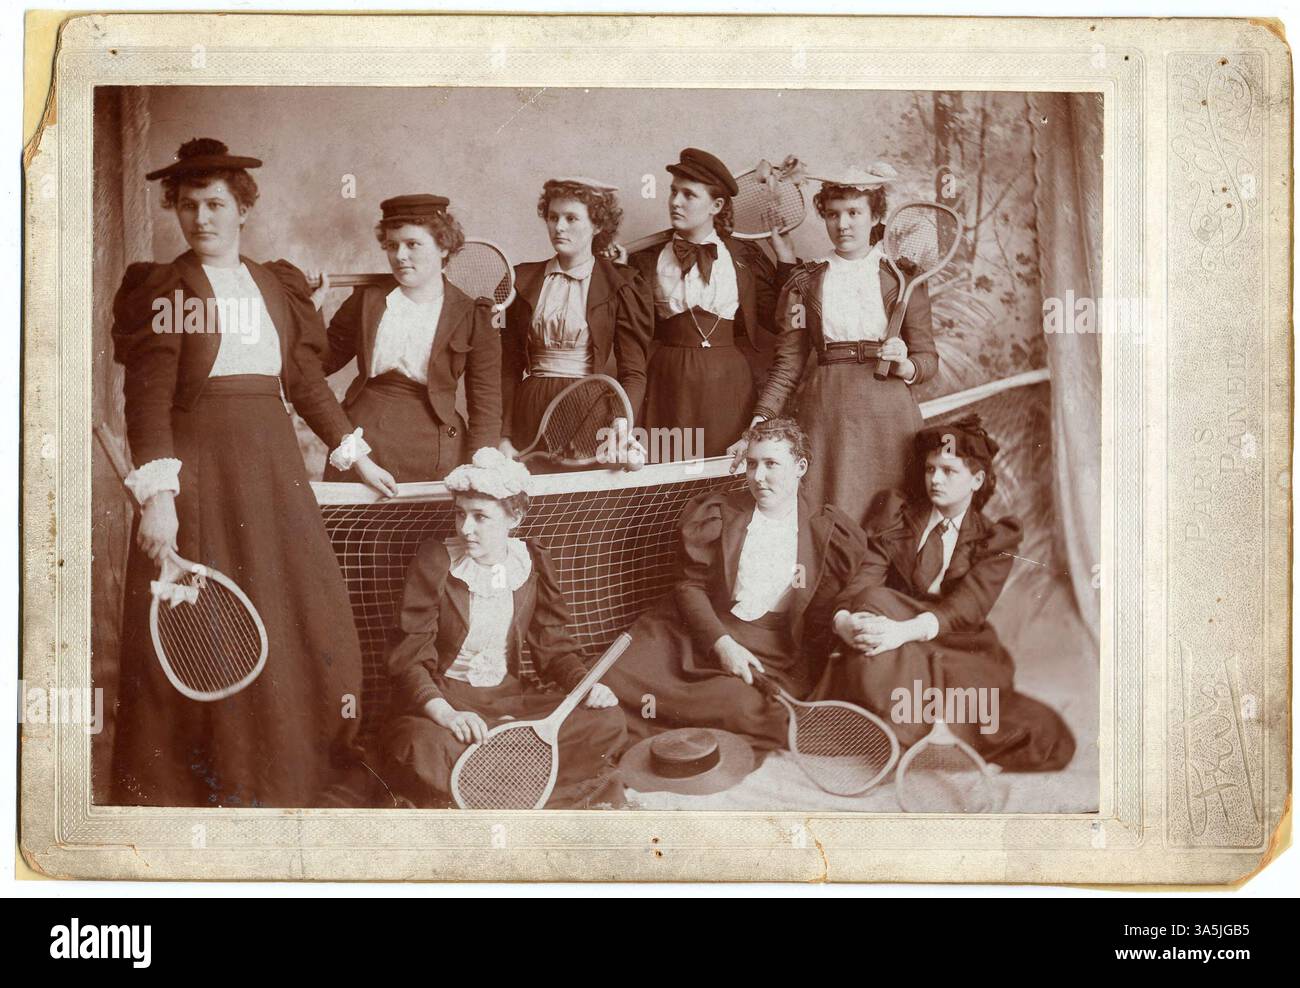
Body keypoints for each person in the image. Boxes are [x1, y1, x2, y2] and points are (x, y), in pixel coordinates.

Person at [108, 138, 394, 807]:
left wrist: (355, 453)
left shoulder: (274, 284)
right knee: (204, 623)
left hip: (273, 471)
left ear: (243, 210)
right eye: (187, 205)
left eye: (215, 204)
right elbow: (146, 400)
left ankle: (283, 769)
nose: (200, 218)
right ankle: (197, 782)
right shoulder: (166, 288)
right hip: (199, 476)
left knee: (299, 611)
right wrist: (159, 499)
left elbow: (303, 382)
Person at [822, 415, 1075, 771]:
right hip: (891, 636)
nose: (935, 480)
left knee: (1032, 732)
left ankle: (910, 735)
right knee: (871, 602)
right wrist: (844, 621)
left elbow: (966, 608)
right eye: (929, 469)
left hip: (955, 643)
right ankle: (908, 737)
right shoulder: (896, 515)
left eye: (947, 470)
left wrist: (901, 633)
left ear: (976, 479)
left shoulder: (995, 539)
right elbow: (864, 582)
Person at [381, 448, 627, 808]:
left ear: (515, 516)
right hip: (450, 703)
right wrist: (447, 714)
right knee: (419, 746)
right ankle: (518, 782)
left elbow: (554, 648)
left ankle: (488, 783)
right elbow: (409, 658)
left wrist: (587, 688)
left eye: (480, 517)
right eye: (460, 514)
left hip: (512, 702)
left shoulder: (531, 562)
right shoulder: (436, 561)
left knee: (608, 721)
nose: (466, 528)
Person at [603, 418, 867, 753]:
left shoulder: (827, 531)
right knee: (615, 678)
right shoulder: (720, 512)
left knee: (746, 709)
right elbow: (689, 587)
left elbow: (821, 614)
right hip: (697, 632)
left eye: (772, 464)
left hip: (769, 649)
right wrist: (721, 643)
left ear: (800, 467)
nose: (758, 477)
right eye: (752, 464)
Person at [742, 163, 939, 527]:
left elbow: (928, 360)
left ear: (876, 214)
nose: (843, 224)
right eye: (833, 214)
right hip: (827, 416)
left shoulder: (901, 277)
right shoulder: (806, 281)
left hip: (890, 417)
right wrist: (760, 419)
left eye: (854, 213)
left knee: (893, 522)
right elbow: (788, 364)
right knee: (830, 519)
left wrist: (905, 364)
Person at [315, 194, 501, 482]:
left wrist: (481, 472)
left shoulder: (473, 314)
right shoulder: (367, 300)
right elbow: (317, 364)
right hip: (361, 445)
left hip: (434, 451)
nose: (399, 255)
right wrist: (309, 311)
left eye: (412, 244)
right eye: (392, 245)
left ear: (443, 246)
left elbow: (486, 404)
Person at [626, 148, 794, 460]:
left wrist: (785, 259)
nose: (675, 202)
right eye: (673, 192)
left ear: (716, 205)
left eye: (689, 195)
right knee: (667, 475)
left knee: (723, 474)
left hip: (728, 383)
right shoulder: (645, 260)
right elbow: (624, 327)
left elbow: (778, 318)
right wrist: (615, 271)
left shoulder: (744, 257)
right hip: (668, 382)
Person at [499, 178, 652, 463]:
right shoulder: (521, 280)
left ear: (597, 225)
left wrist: (622, 422)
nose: (559, 227)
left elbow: (633, 371)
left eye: (571, 218)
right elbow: (507, 369)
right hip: (530, 408)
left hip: (590, 409)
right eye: (553, 217)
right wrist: (504, 435)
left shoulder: (620, 284)